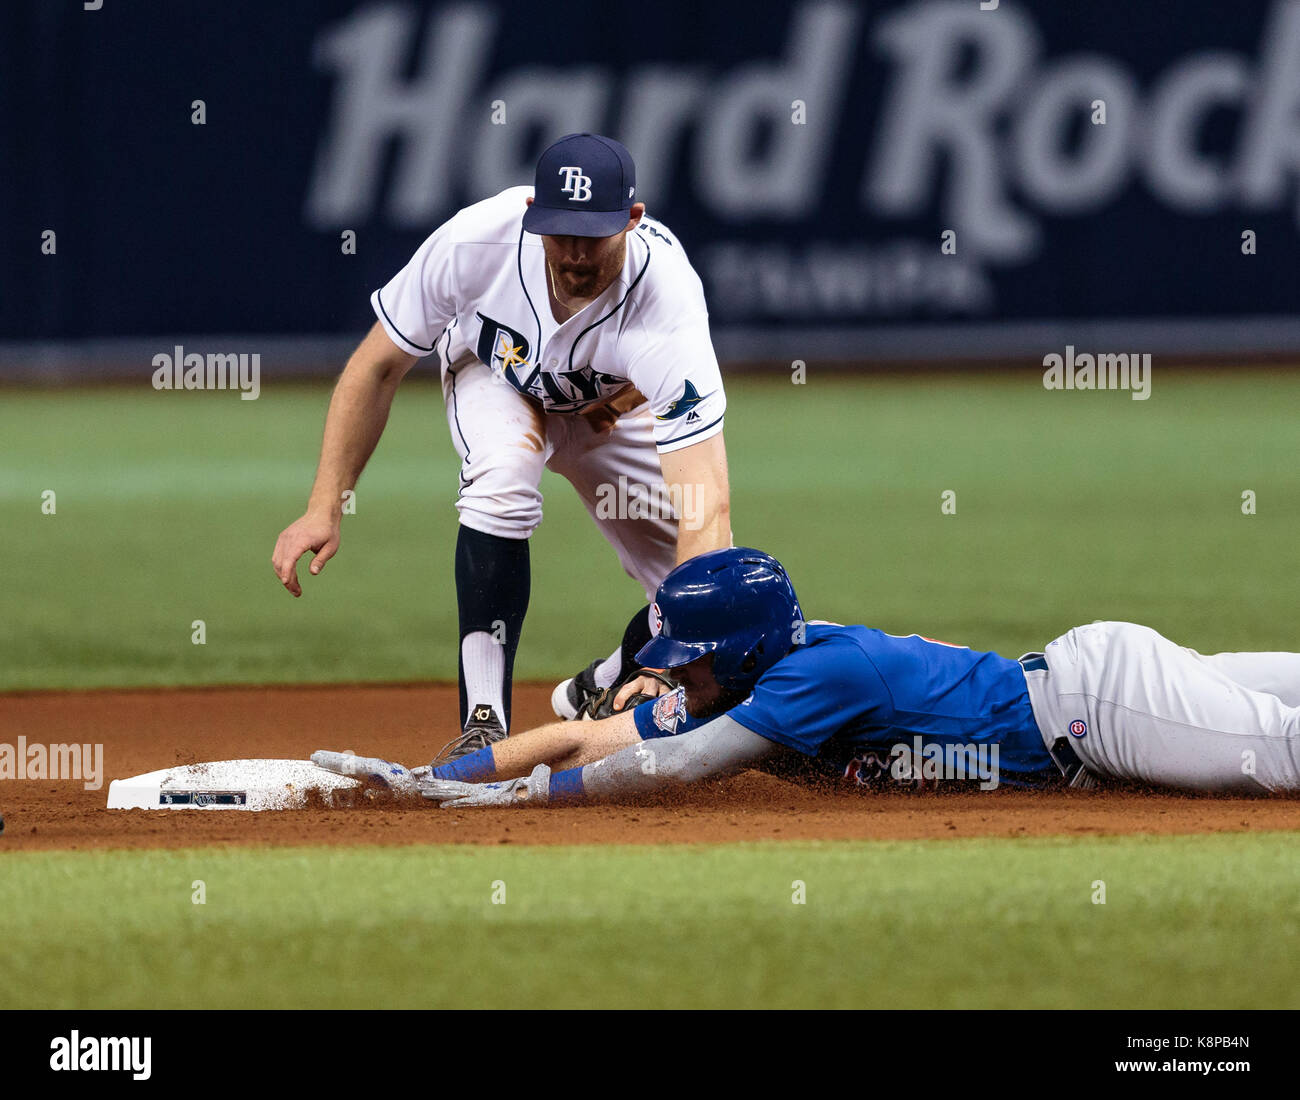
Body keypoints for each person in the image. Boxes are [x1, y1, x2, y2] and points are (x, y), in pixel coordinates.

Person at [273, 133, 732, 763]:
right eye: (558, 231)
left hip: (606, 411)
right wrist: (326, 503)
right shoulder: (474, 244)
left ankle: (602, 685)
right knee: (504, 476)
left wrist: (673, 657)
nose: (573, 253)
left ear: (631, 220)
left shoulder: (666, 300)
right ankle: (483, 720)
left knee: (711, 598)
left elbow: (704, 510)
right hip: (497, 378)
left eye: (592, 234)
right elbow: (376, 367)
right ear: (532, 215)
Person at [314, 547, 1300, 803]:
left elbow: (686, 769)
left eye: (683, 662)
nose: (669, 681)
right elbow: (590, 735)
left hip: (1095, 710)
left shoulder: (815, 677)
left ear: (737, 653)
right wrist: (438, 779)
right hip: (1091, 689)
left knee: (1281, 753)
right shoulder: (753, 678)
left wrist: (517, 803)